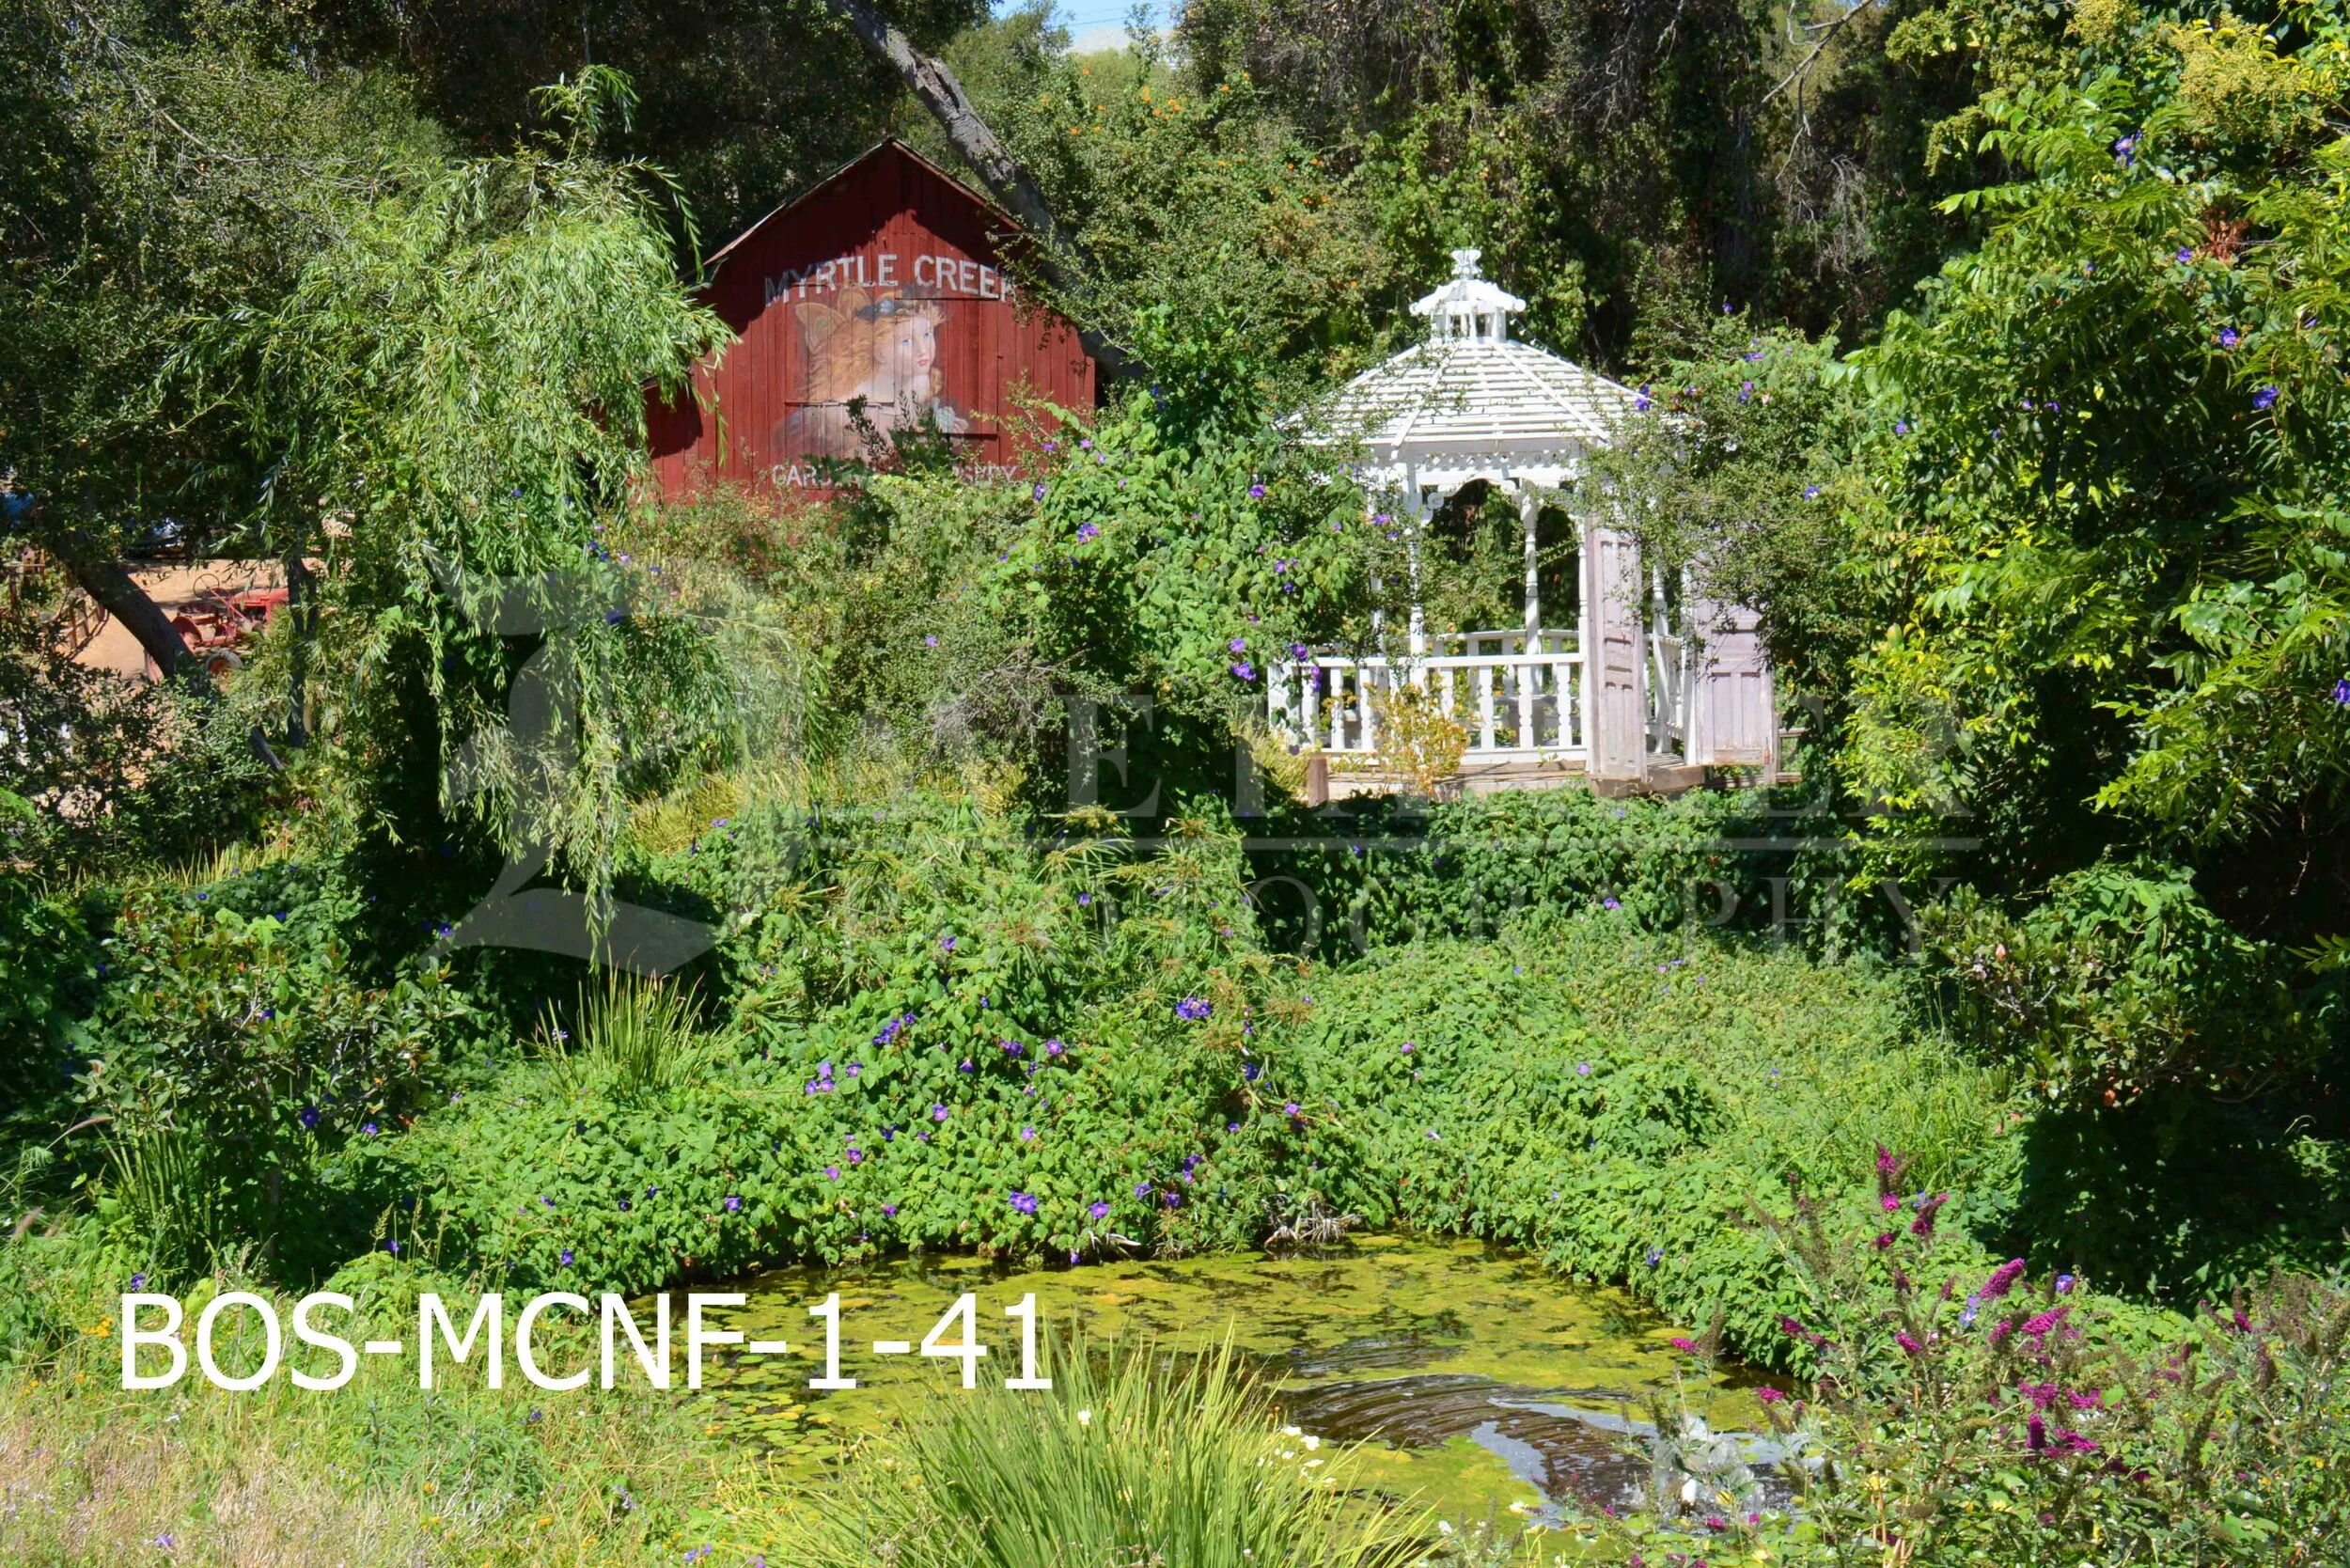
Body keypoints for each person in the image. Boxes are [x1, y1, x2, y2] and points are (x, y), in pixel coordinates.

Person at [779, 287, 965, 461]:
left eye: (927, 335)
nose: (923, 350)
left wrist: (949, 440)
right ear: (880, 352)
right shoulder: (841, 411)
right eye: (907, 341)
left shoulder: (925, 393)